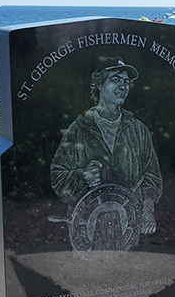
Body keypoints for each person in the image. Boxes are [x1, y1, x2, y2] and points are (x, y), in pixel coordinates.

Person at [50, 57, 162, 240]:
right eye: (115, 79)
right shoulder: (79, 129)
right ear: (99, 85)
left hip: (129, 229)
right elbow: (57, 176)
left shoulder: (138, 130)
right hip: (87, 231)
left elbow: (152, 175)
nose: (123, 86)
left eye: (126, 82)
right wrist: (82, 177)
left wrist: (148, 211)